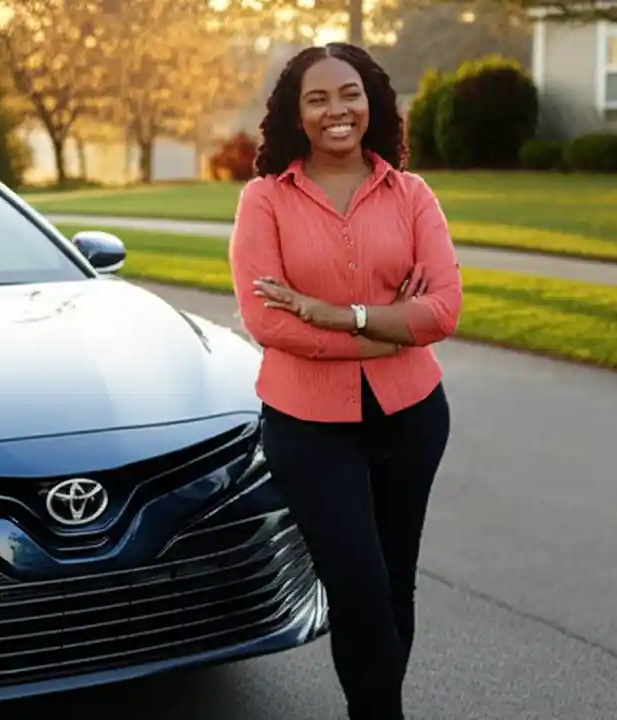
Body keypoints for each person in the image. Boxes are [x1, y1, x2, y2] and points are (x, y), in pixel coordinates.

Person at [227, 43, 462, 720]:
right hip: (307, 426)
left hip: (413, 413)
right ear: (296, 114)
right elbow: (268, 324)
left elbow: (442, 309)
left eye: (350, 93)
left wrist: (337, 313)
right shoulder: (265, 200)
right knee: (357, 585)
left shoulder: (412, 195)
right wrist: (390, 321)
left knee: (394, 584)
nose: (338, 110)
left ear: (372, 102)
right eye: (318, 98)